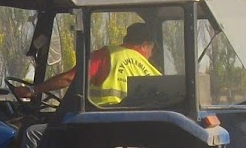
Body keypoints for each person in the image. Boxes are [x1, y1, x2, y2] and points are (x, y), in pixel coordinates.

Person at [11, 21, 158, 104]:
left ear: (126, 40)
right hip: (123, 121)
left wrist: (33, 90)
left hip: (102, 119)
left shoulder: (107, 55)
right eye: (151, 48)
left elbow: (70, 78)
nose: (150, 54)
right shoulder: (153, 72)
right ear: (144, 45)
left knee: (32, 133)